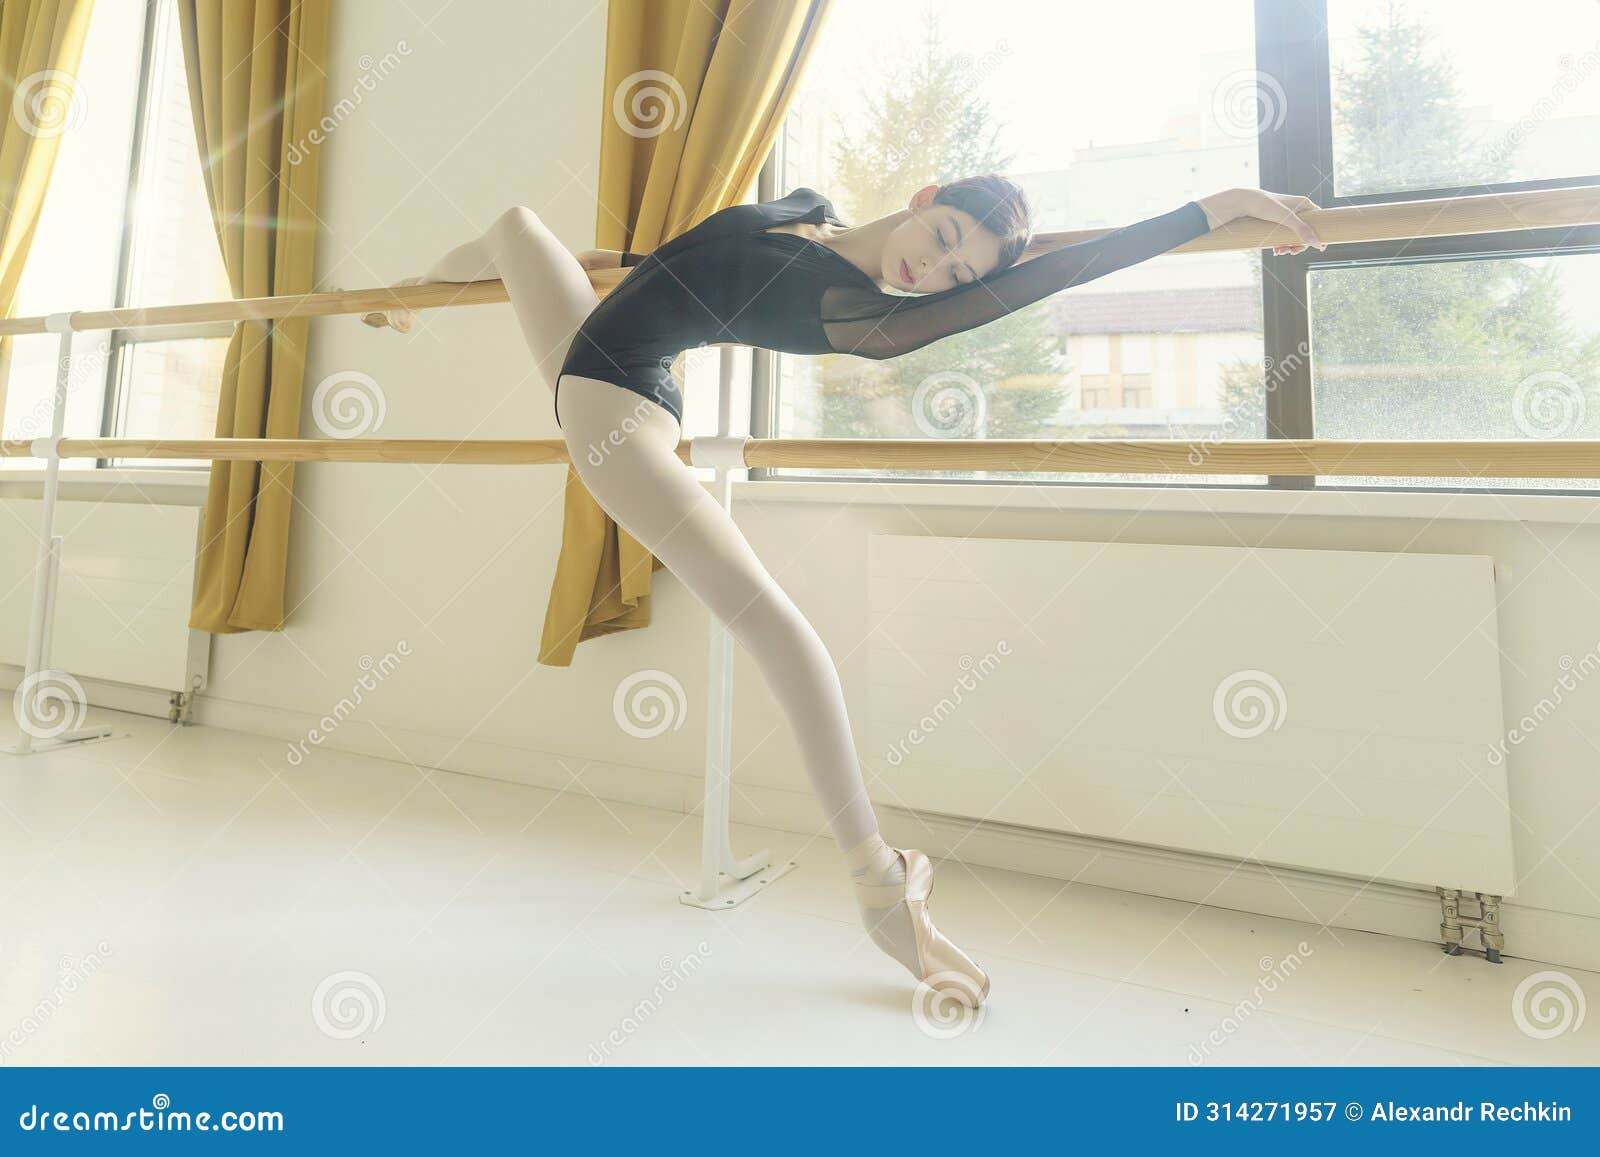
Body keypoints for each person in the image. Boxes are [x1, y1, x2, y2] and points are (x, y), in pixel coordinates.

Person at [364, 176, 1324, 1007]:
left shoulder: (859, 315)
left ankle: (876, 885)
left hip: (618, 417)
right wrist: (584, 268)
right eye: (942, 238)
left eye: (957, 275)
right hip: (596, 352)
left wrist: (1214, 208)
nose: (932, 270)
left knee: (775, 629)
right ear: (923, 199)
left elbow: (1053, 276)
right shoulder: (807, 208)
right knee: (517, 226)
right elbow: (674, 259)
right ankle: (408, 294)